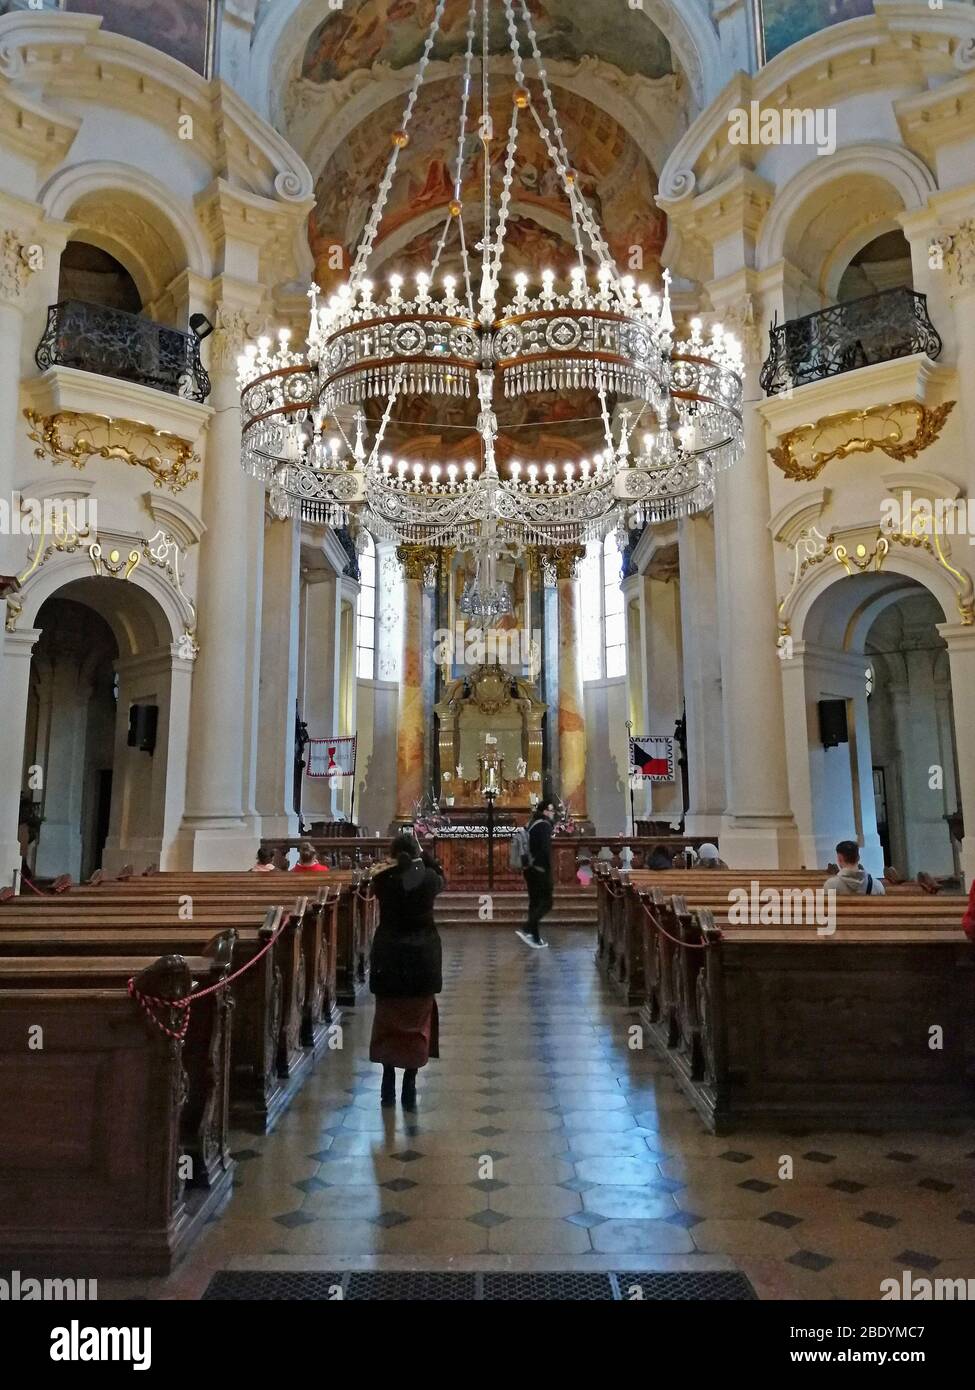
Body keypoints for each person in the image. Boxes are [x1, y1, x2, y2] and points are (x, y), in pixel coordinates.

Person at [369, 833, 444, 1109]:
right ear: (417, 853)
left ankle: (387, 1079)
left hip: (388, 957)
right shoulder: (428, 880)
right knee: (417, 1023)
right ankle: (410, 1083)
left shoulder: (383, 881)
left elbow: (378, 875)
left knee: (387, 1020)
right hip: (422, 960)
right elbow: (439, 875)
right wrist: (424, 858)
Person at [516, 800, 556, 949]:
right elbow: (545, 849)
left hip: (529, 869)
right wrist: (547, 868)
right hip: (540, 869)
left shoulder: (531, 824)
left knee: (534, 903)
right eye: (551, 810)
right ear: (545, 811)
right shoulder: (544, 826)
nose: (553, 814)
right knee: (547, 902)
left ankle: (535, 937)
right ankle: (526, 928)